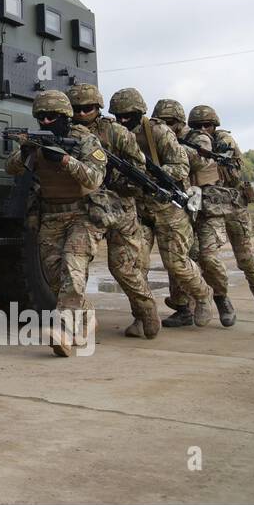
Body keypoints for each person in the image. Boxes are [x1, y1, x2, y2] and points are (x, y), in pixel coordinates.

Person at [4, 89, 108, 356]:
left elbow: (94, 178)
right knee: (54, 279)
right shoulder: (37, 142)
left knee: (72, 273)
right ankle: (86, 318)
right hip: (50, 216)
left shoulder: (85, 140)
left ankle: (62, 331)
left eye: (52, 116)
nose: (46, 122)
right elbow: (12, 168)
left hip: (82, 216)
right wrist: (26, 151)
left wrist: (64, 159)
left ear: (64, 116)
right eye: (41, 117)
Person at [110, 90, 213, 328]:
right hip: (140, 210)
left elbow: (181, 167)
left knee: (176, 262)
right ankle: (143, 316)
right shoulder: (116, 135)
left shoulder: (158, 131)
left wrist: (150, 176)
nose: (123, 120)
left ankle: (203, 295)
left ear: (140, 112)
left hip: (169, 208)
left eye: (129, 115)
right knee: (136, 266)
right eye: (118, 116)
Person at [66, 84, 160, 338]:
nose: (82, 113)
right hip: (88, 208)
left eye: (87, 109)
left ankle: (146, 311)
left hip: (121, 206)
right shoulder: (69, 133)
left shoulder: (115, 132)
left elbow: (139, 167)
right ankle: (75, 319)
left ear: (97, 108)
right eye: (76, 109)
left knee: (123, 267)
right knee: (74, 259)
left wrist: (118, 181)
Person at [153, 99, 233, 326]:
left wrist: (167, 146)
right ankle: (182, 308)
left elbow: (199, 159)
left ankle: (220, 297)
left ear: (179, 122)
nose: (166, 127)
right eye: (161, 123)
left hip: (206, 208)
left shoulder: (198, 138)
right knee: (178, 256)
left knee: (207, 257)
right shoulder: (160, 138)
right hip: (182, 207)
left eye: (170, 123)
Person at [190, 105, 254, 315]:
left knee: (244, 256)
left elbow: (234, 175)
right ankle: (215, 298)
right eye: (198, 126)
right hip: (211, 207)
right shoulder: (192, 143)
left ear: (215, 125)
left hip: (234, 205)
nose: (203, 129)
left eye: (207, 125)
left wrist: (212, 157)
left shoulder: (224, 141)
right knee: (205, 257)